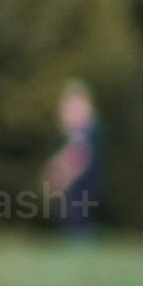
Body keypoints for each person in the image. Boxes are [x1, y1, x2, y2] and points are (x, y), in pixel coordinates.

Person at [43, 79, 104, 241]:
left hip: (82, 185)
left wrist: (63, 177)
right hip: (82, 185)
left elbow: (79, 155)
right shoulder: (81, 130)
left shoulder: (84, 129)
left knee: (78, 223)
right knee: (74, 222)